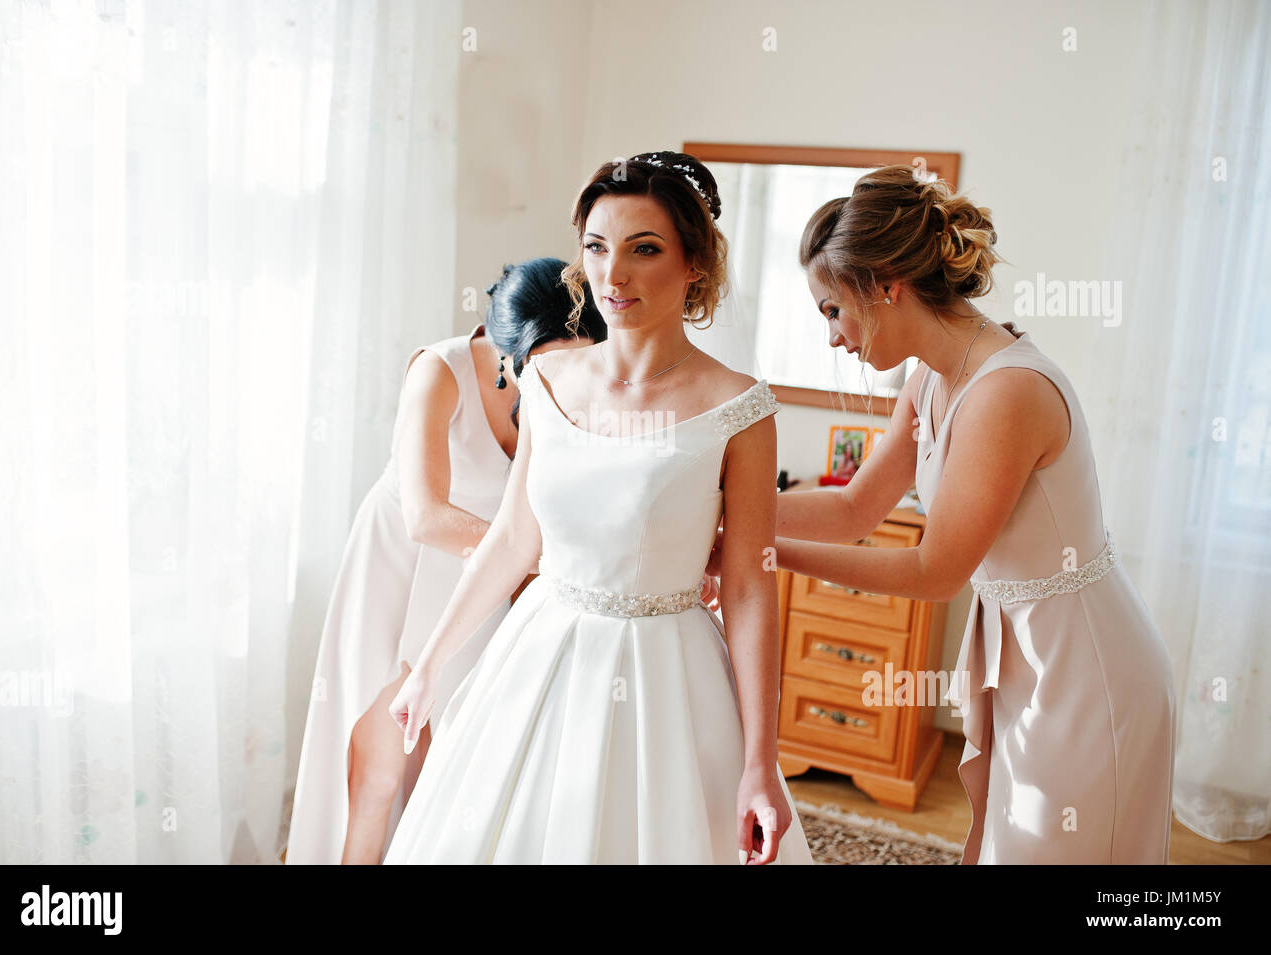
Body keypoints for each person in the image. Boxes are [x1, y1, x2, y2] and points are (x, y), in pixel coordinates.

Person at [733, 165, 1175, 863]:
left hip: (1085, 671)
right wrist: (737, 511)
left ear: (885, 285)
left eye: (831, 309)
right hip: (1024, 657)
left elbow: (935, 571)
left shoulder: (1009, 392)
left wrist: (759, 550)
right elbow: (854, 507)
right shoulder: (930, 378)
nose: (833, 337)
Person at [380, 151, 813, 864]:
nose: (615, 275)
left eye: (646, 249)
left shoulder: (740, 407)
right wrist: (427, 665)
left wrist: (760, 761)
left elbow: (748, 586)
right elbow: (516, 540)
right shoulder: (549, 377)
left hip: (667, 675)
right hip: (540, 653)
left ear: (695, 263)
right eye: (597, 247)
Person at [285, 258, 605, 864]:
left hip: (479, 582)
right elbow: (425, 516)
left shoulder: (578, 381)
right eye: (551, 365)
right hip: (399, 568)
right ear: (512, 352)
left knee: (450, 768)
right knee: (378, 769)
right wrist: (540, 562)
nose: (566, 380)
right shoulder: (439, 370)